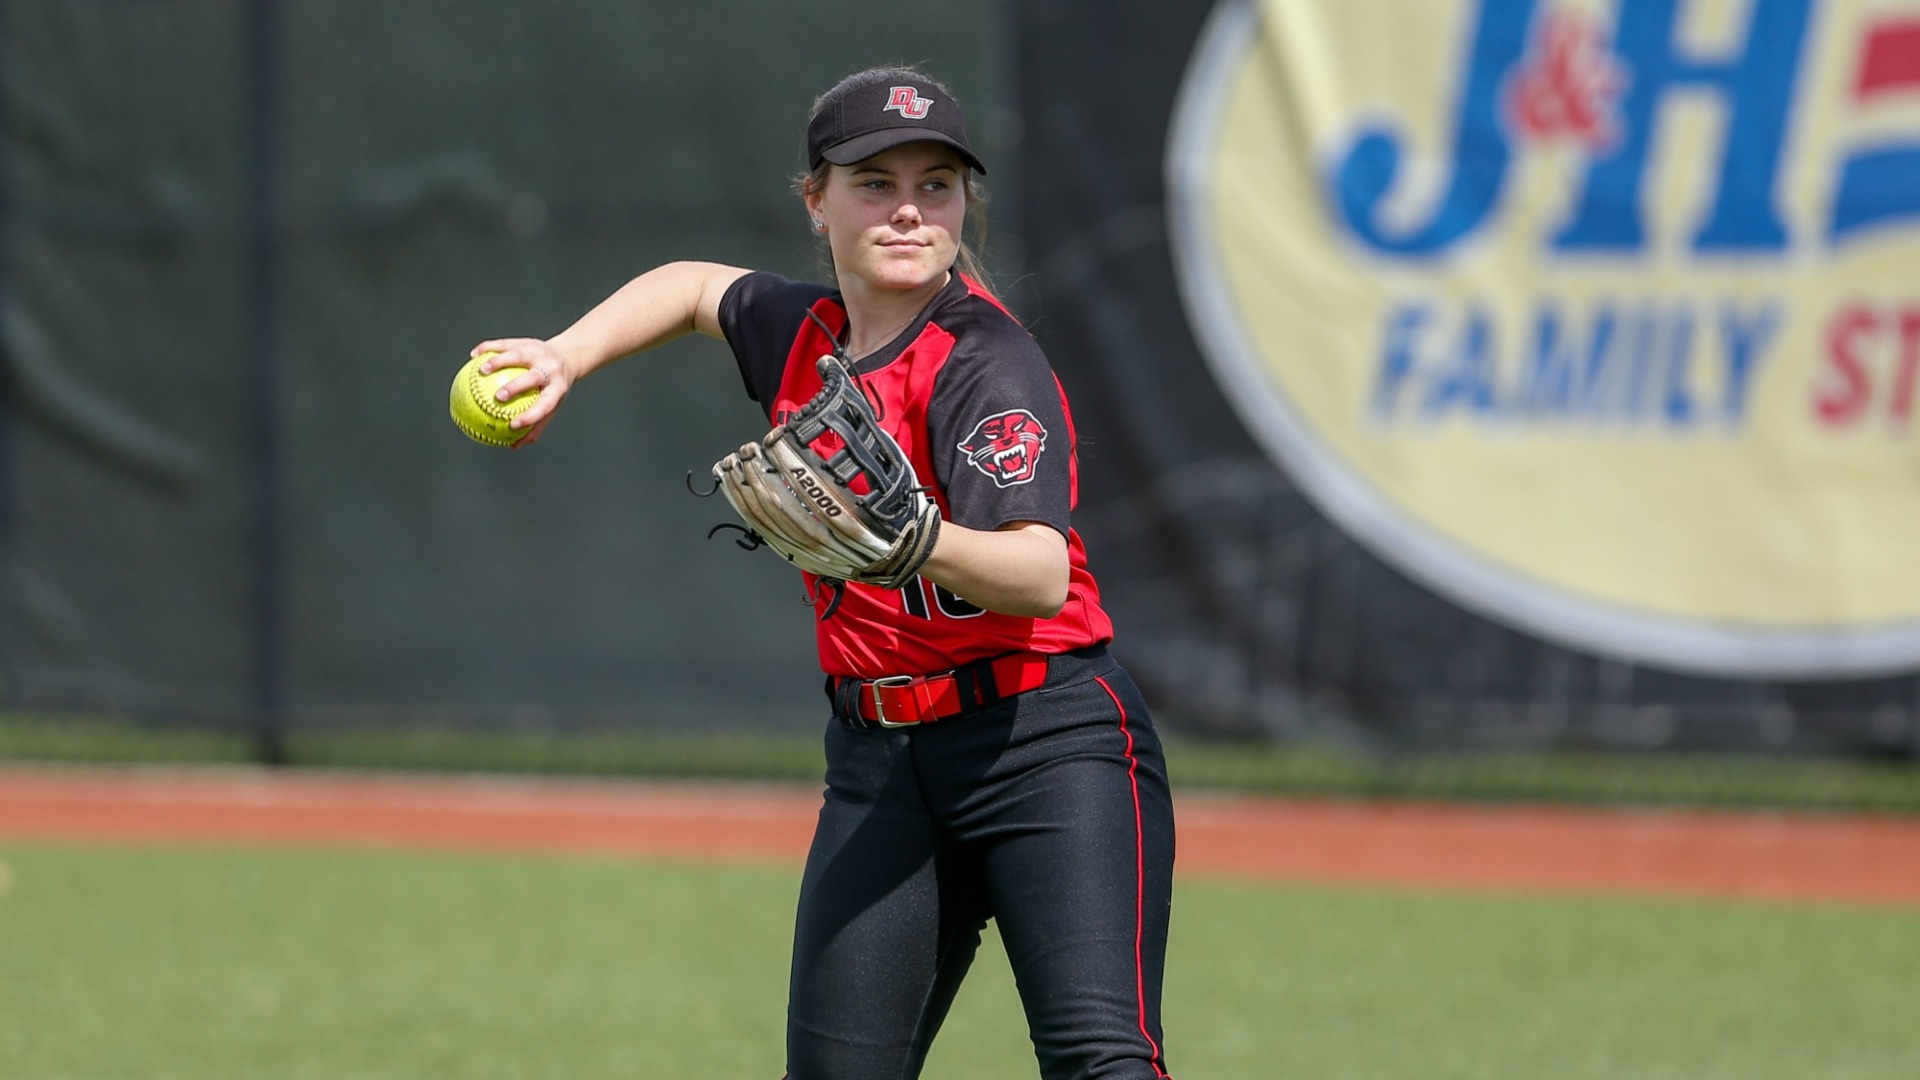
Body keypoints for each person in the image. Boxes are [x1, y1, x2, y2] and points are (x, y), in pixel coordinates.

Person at [470, 65, 1175, 1080]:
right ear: (815, 200)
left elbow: (1038, 574)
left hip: (1044, 747)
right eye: (872, 181)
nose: (907, 208)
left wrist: (913, 541)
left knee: (1101, 1061)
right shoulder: (799, 333)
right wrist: (567, 357)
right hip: (881, 761)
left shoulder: (985, 362)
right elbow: (694, 288)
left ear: (966, 200)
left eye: (937, 183)